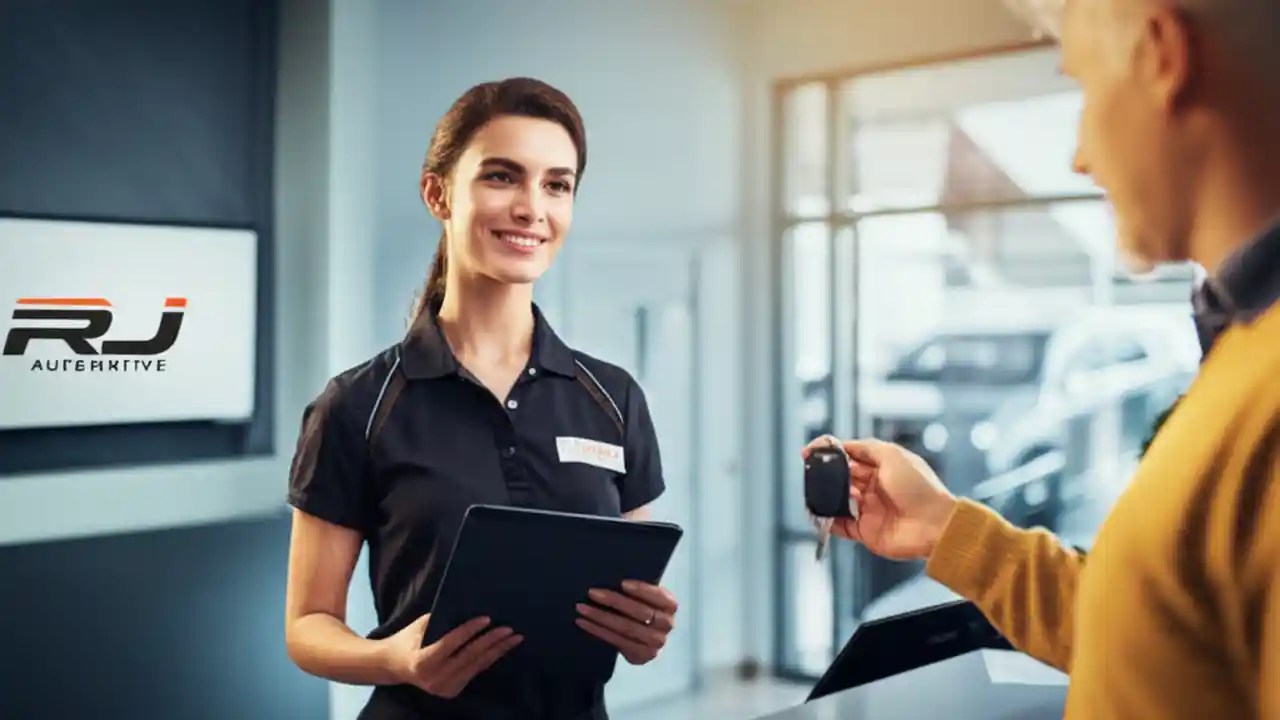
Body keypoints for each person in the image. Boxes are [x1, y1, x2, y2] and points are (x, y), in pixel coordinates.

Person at [807, 0, 1280, 717]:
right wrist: (944, 527)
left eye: (1083, 87)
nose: (1080, 153)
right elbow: (1152, 636)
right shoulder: (1244, 353)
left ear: (1159, 55)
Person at [283, 77, 679, 720]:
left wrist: (644, 632)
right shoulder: (357, 405)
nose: (532, 208)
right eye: (502, 177)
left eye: (557, 184)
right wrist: (394, 659)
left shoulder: (615, 397)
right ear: (437, 193)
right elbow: (307, 626)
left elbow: (631, 600)